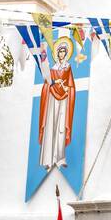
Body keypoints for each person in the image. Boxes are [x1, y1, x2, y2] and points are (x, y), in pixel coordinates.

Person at [39, 37, 76, 170]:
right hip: (52, 99)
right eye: (59, 52)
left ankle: (60, 158)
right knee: (50, 126)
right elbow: (47, 84)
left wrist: (68, 89)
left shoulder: (68, 67)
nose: (61, 54)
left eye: (63, 52)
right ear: (57, 54)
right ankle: (48, 160)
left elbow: (71, 84)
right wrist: (53, 85)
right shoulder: (52, 68)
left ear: (66, 54)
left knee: (60, 126)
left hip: (64, 99)